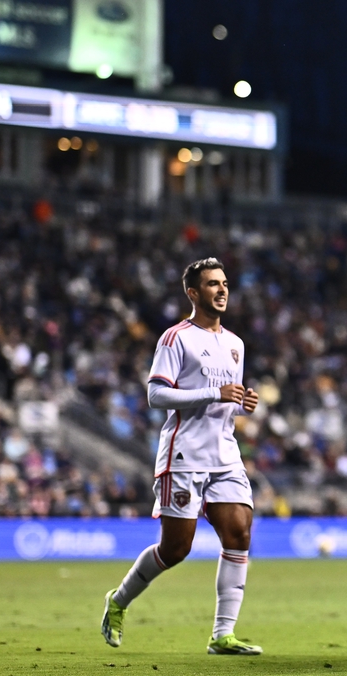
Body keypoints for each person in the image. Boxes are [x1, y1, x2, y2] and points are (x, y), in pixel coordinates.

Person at [100, 258, 263, 655]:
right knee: (176, 550)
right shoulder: (175, 339)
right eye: (212, 284)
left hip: (224, 455)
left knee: (239, 533)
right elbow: (157, 395)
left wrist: (243, 403)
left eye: (224, 283)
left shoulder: (235, 344)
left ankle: (222, 634)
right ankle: (118, 600)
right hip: (184, 455)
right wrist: (215, 393)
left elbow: (226, 399)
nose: (222, 290)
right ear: (193, 293)